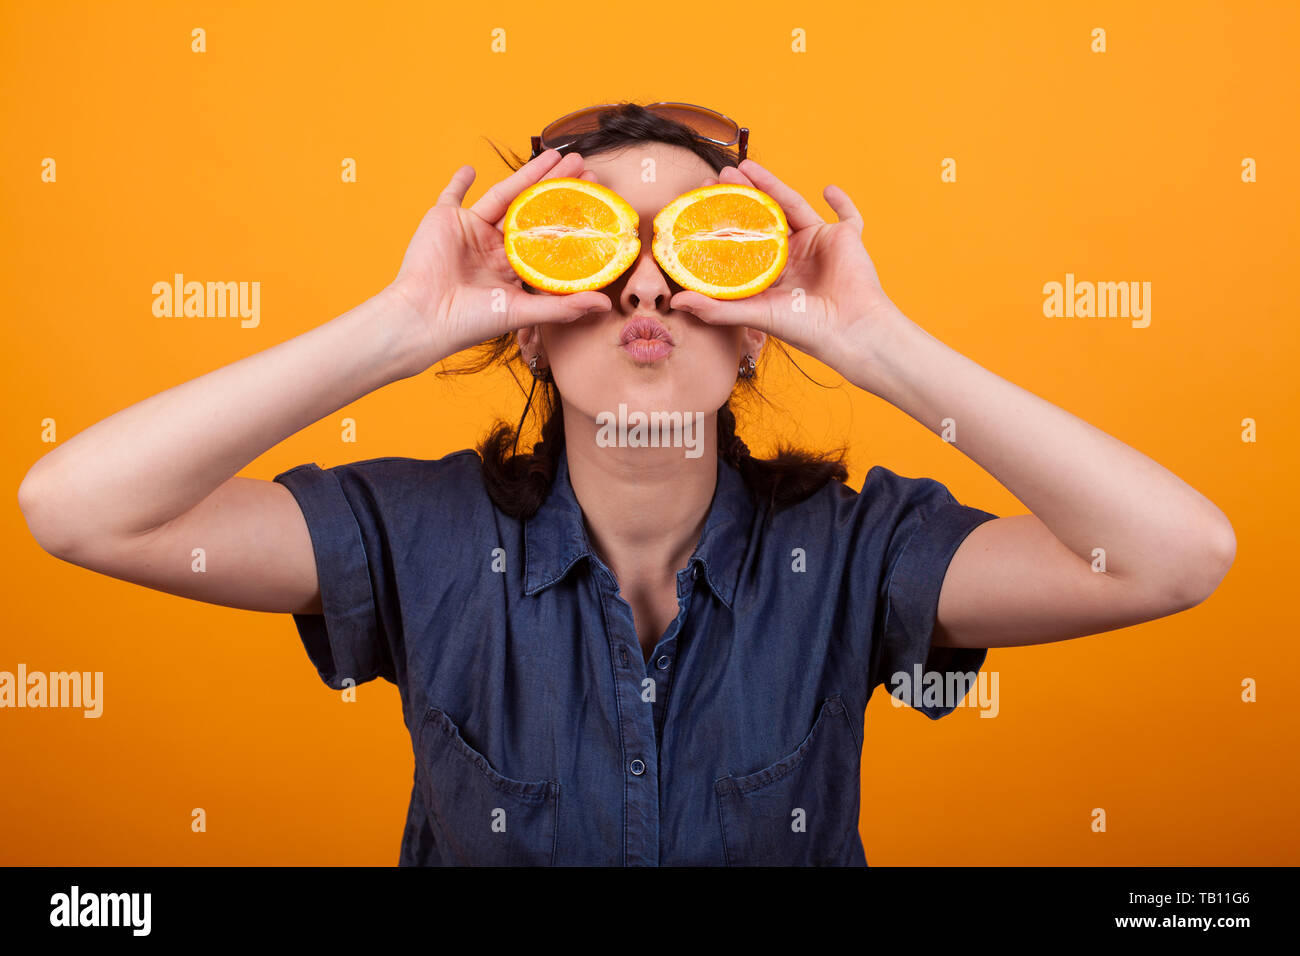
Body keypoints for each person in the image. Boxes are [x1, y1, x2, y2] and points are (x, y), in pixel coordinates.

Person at [17, 102, 1236, 866]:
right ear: (536, 321)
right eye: (595, 248)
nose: (647, 288)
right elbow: (74, 507)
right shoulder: (412, 534)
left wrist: (872, 342)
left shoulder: (859, 549)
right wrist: (402, 325)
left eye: (695, 250)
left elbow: (1177, 554)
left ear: (753, 323)